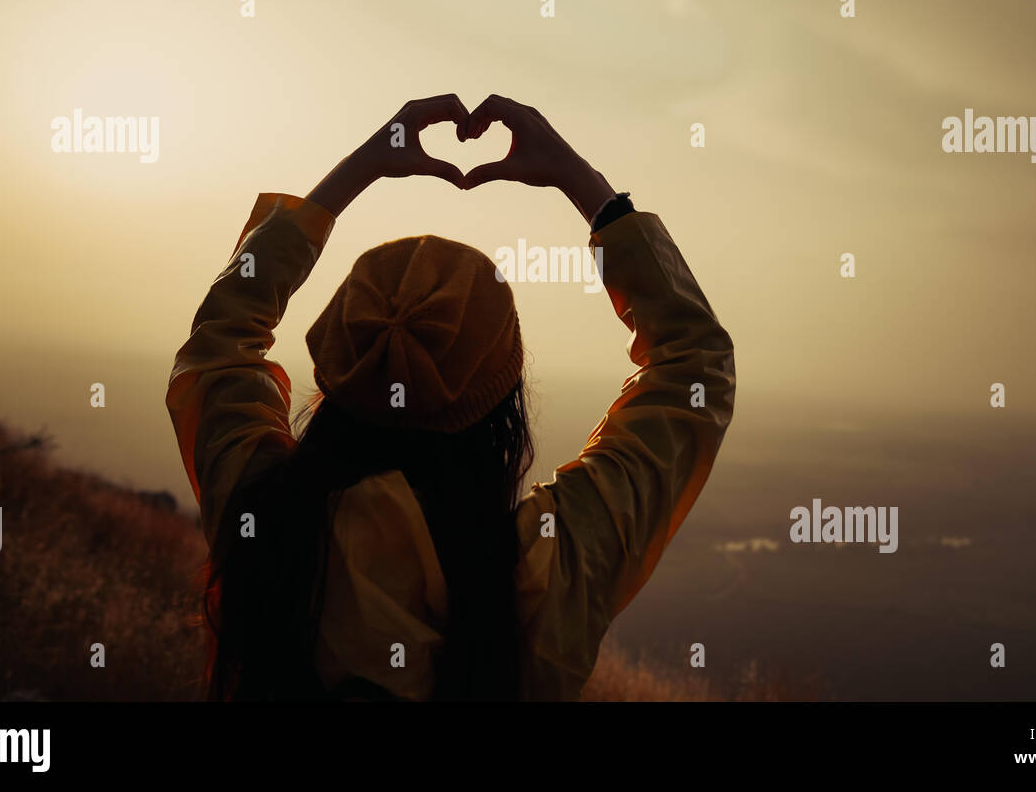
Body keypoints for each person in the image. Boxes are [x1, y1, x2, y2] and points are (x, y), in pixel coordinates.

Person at [165, 94, 735, 700]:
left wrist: (357, 170)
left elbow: (219, 343)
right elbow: (693, 365)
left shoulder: (257, 511)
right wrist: (581, 181)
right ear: (502, 401)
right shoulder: (543, 570)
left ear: (335, 365)